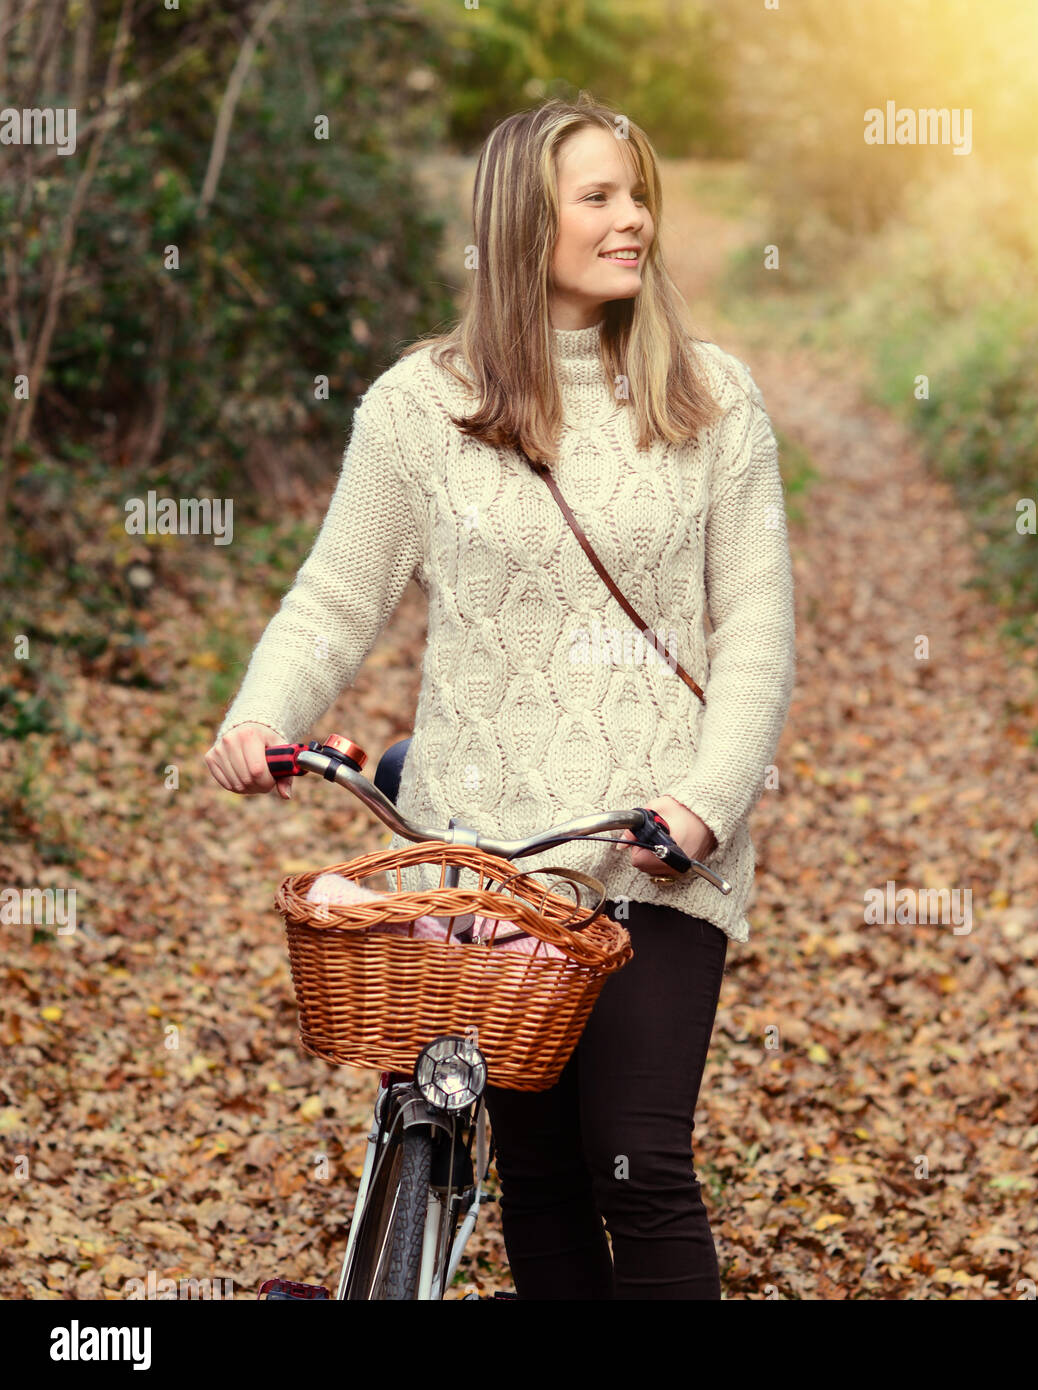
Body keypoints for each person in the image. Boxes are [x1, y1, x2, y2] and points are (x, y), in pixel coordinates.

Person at [204, 92, 796, 1299]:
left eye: (639, 196)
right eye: (599, 198)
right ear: (525, 221)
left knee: (637, 1163)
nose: (633, 221)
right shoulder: (419, 408)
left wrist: (704, 803)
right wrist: (258, 712)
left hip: (649, 846)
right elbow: (334, 596)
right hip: (482, 859)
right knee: (534, 1174)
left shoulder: (712, 401)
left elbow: (758, 629)